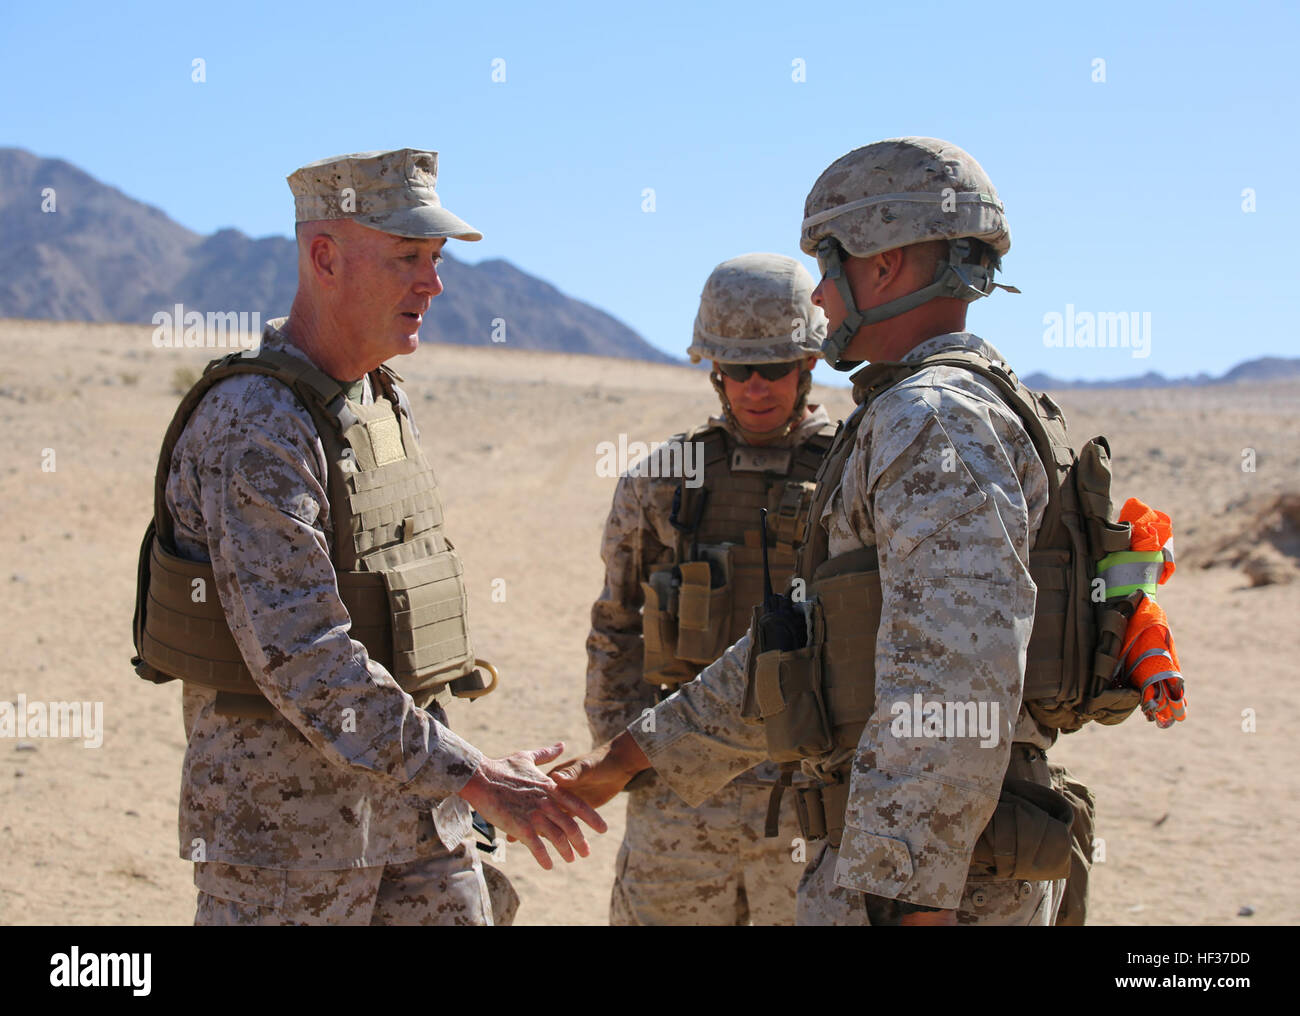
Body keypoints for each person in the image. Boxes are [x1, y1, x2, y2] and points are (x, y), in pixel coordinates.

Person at [552, 137, 1081, 926]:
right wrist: (629, 756)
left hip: (923, 885)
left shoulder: (930, 419)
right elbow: (807, 641)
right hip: (894, 862)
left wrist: (908, 895)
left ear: (884, 264)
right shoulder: (922, 413)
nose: (824, 298)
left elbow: (958, 671)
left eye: (829, 267)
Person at [130, 149, 604, 926]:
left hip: (417, 819)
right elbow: (305, 656)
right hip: (289, 843)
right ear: (324, 257)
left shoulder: (377, 398)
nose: (433, 282)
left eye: (436, 258)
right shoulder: (256, 423)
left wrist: (460, 775)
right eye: (406, 258)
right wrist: (476, 776)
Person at [587, 253, 835, 925]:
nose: (757, 388)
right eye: (736, 370)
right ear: (714, 370)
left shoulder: (852, 474)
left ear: (809, 364)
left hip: (807, 793)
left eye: (775, 369)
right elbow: (617, 624)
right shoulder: (662, 481)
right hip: (680, 793)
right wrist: (623, 751)